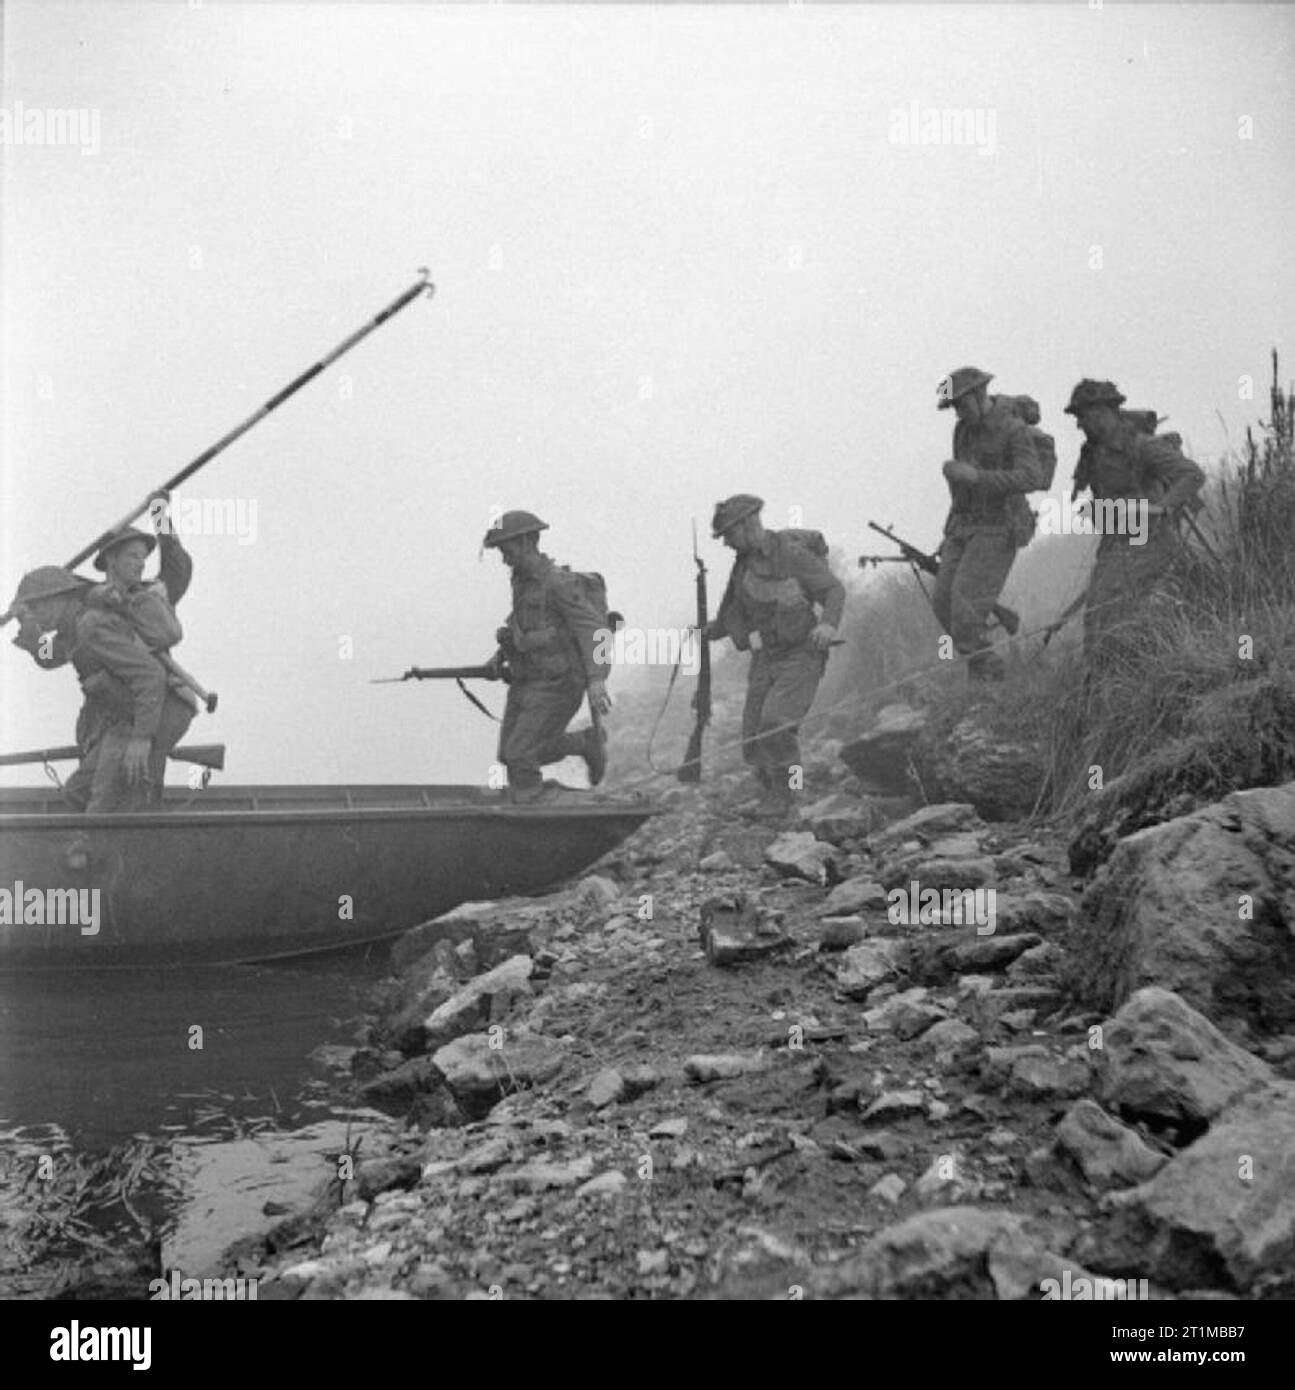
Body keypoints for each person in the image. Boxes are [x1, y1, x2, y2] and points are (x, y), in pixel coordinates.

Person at [703, 495, 844, 820]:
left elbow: (834, 590)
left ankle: (791, 792)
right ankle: (769, 793)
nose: (726, 542)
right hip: (766, 657)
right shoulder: (742, 566)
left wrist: (827, 625)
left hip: (802, 654)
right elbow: (731, 615)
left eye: (729, 534)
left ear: (748, 525)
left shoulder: (790, 554)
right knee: (753, 735)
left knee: (776, 724)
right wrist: (709, 631)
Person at [1064, 379, 1205, 662]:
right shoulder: (1093, 453)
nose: (1079, 424)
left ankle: (1136, 676)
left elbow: (1192, 474)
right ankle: (1097, 690)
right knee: (1096, 617)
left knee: (1117, 617)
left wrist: (1161, 508)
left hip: (1150, 543)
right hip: (1116, 544)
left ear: (1105, 412)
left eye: (1083, 415)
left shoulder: (1142, 446)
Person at [482, 510, 611, 802]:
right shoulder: (522, 582)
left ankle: (532, 801)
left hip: (559, 684)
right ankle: (584, 743)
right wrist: (500, 655)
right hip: (527, 680)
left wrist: (596, 680)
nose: (504, 558)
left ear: (528, 542)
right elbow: (524, 624)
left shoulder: (559, 583)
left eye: (508, 549)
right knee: (508, 755)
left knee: (519, 755)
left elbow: (597, 631)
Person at [932, 366, 1044, 680]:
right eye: (953, 407)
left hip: (1000, 525)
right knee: (943, 603)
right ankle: (984, 667)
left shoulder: (1013, 429)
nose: (958, 412)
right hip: (964, 524)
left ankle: (992, 680)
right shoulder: (963, 430)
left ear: (980, 395)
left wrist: (979, 477)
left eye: (962, 404)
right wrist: (949, 531)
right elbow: (962, 489)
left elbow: (1032, 476)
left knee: (966, 609)